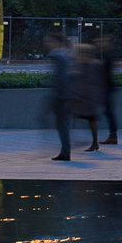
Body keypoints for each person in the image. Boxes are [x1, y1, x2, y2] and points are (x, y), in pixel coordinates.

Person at [44, 32, 74, 162]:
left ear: (56, 42)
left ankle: (66, 151)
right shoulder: (64, 56)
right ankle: (65, 150)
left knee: (62, 124)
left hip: (62, 96)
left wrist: (57, 96)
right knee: (63, 124)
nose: (48, 44)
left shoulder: (59, 57)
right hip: (65, 95)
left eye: (50, 41)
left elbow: (61, 78)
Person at [73, 42, 106, 153]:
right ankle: (93, 142)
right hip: (87, 97)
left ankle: (94, 142)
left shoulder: (89, 64)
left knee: (91, 119)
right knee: (91, 120)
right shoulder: (87, 64)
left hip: (88, 97)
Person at [96, 36, 118, 144]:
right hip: (107, 87)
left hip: (106, 88)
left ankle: (113, 135)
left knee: (108, 112)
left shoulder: (108, 55)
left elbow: (106, 73)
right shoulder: (107, 55)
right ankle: (113, 135)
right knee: (108, 112)